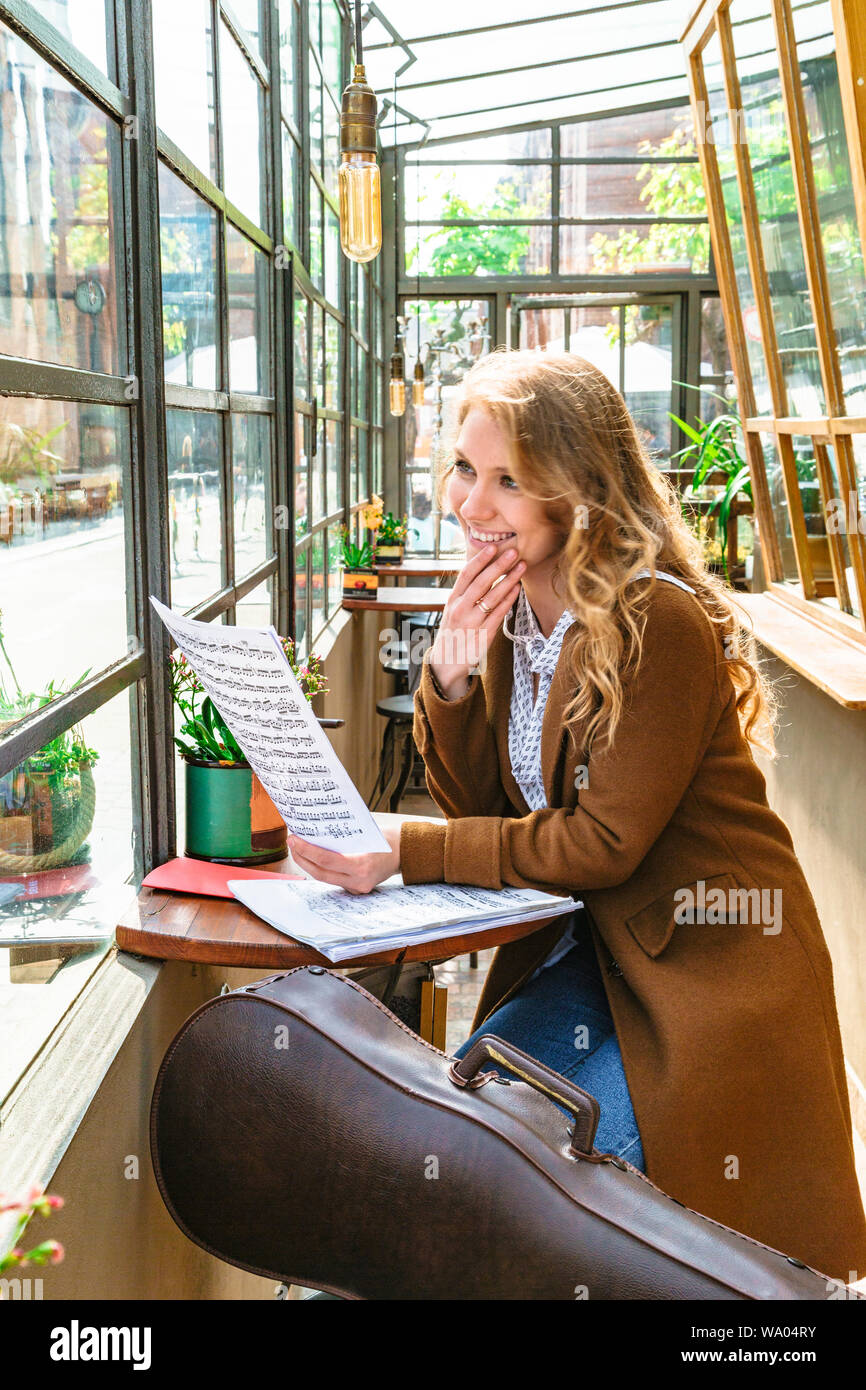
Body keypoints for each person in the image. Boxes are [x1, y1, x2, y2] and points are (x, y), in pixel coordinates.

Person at [287, 349, 866, 1283]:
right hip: (589, 957)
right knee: (447, 1156)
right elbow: (483, 813)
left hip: (702, 976)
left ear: (580, 489)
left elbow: (600, 844)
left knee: (541, 1213)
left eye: (509, 481)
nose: (472, 504)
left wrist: (408, 850)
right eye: (467, 469)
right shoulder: (514, 611)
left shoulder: (656, 622)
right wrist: (451, 677)